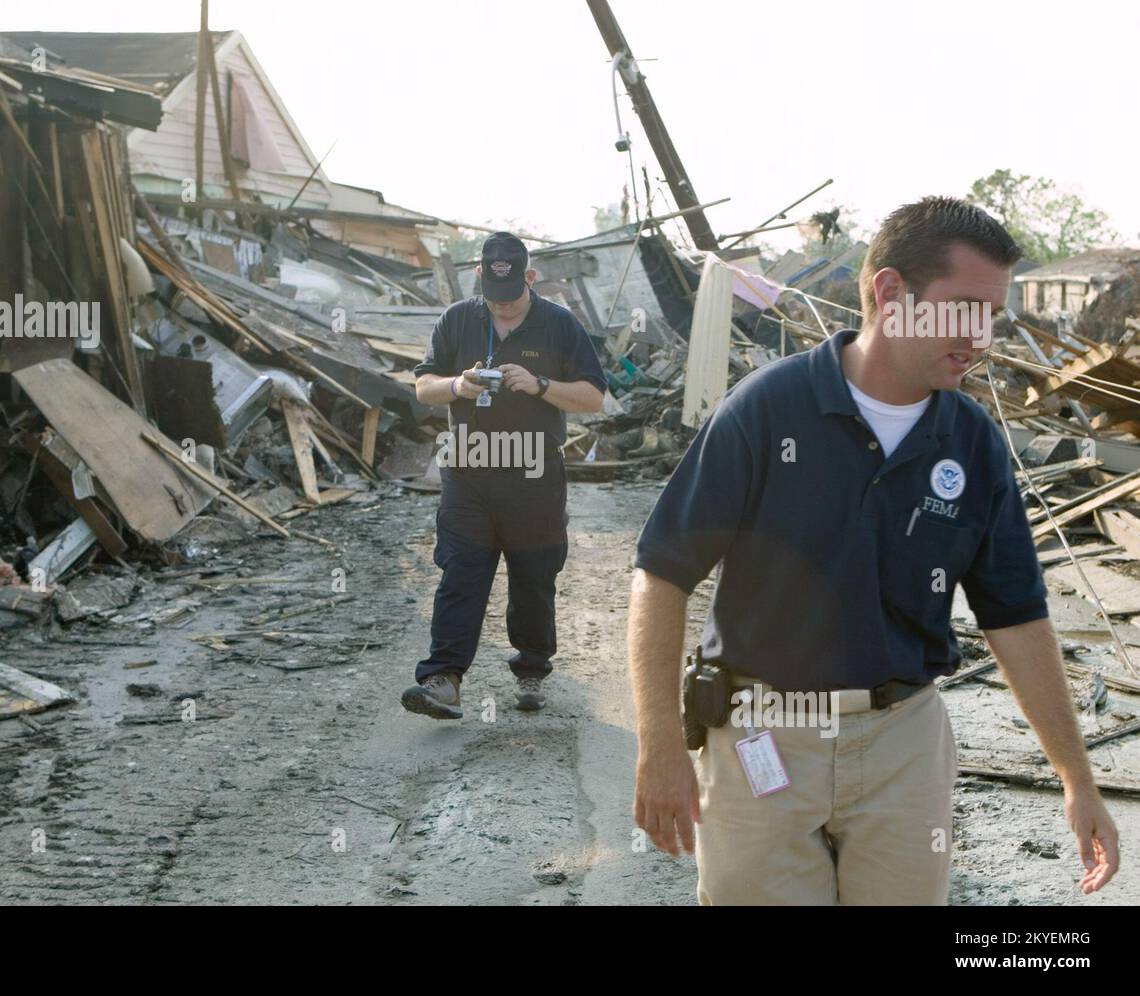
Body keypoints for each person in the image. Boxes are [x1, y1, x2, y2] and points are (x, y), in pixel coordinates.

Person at [628, 196, 1120, 904]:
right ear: (891, 294)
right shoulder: (769, 410)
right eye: (965, 309)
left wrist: (1077, 779)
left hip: (902, 746)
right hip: (765, 737)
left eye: (993, 315)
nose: (982, 337)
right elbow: (662, 574)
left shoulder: (973, 442)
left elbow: (1015, 615)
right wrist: (659, 746)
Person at [401, 232, 606, 719]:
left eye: (513, 297)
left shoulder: (559, 324)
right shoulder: (456, 319)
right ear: (479, 279)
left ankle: (532, 668)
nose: (505, 309)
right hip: (469, 469)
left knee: (534, 576)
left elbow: (594, 398)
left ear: (530, 278)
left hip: (534, 470)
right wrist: (458, 385)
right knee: (461, 572)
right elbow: (423, 387)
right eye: (495, 300)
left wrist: (540, 385)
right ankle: (443, 679)